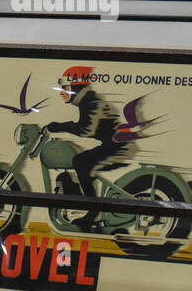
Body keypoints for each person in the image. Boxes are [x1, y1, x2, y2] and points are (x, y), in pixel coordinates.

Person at [44, 66, 132, 198]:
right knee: (81, 162)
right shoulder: (86, 100)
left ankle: (92, 208)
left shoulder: (92, 101)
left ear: (76, 87)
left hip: (119, 147)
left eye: (65, 88)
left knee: (81, 162)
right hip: (113, 145)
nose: (61, 92)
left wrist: (60, 126)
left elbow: (87, 130)